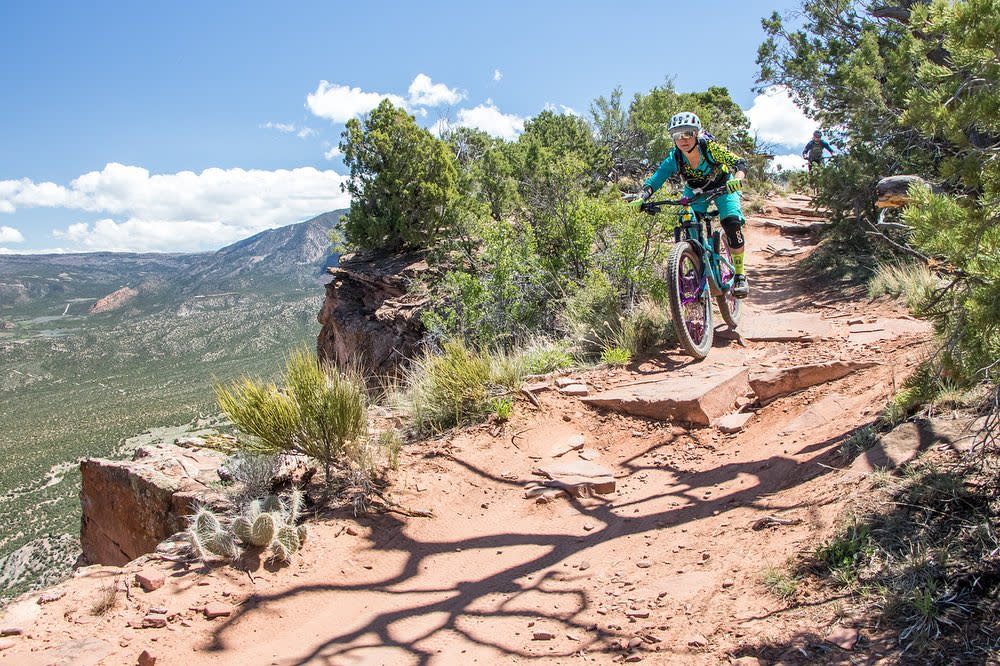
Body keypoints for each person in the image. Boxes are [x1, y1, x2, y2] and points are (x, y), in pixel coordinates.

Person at [636, 111, 749, 298]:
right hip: (695, 190)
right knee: (688, 223)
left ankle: (739, 275)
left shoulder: (710, 148)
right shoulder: (675, 157)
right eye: (677, 135)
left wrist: (737, 178)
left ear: (696, 134)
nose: (683, 139)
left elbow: (739, 162)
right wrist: (642, 197)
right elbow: (656, 179)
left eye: (688, 133)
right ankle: (697, 267)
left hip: (723, 186)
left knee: (731, 223)